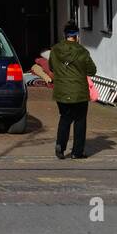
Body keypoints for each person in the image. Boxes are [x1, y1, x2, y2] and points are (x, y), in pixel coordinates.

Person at [49, 22, 97, 159]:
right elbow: (92, 70)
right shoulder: (82, 51)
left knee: (64, 118)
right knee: (80, 120)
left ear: (65, 35)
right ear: (77, 36)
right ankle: (77, 152)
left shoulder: (55, 50)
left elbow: (51, 67)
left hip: (61, 92)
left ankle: (60, 145)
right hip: (79, 93)